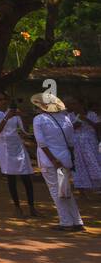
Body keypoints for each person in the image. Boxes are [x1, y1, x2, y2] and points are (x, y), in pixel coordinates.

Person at [32, 92, 85, 231]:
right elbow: (71, 141)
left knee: (57, 191)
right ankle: (77, 220)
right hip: (65, 158)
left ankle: (66, 222)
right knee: (66, 190)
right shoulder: (65, 118)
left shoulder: (39, 119)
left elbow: (42, 143)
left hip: (50, 161)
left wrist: (53, 160)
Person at [0, 92, 36, 217]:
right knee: (11, 177)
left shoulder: (14, 113)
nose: (3, 101)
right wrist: (7, 117)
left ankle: (32, 207)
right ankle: (17, 207)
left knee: (26, 176)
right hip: (5, 147)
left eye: (5, 99)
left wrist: (23, 116)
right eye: (0, 99)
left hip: (18, 145)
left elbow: (25, 130)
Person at [71, 100, 101, 194]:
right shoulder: (70, 115)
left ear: (82, 105)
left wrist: (86, 119)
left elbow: (98, 127)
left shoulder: (92, 114)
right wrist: (74, 125)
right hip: (77, 145)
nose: (75, 106)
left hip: (91, 143)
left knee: (94, 162)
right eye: (73, 104)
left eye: (76, 104)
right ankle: (82, 190)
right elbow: (67, 129)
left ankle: (97, 186)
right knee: (80, 165)